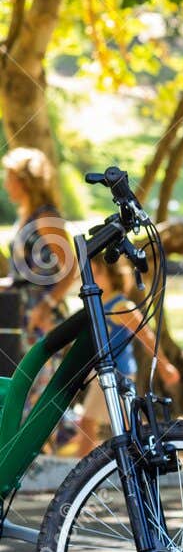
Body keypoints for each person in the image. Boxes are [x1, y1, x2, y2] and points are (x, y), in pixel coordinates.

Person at [3, 147, 81, 453]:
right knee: (28, 386)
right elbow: (23, 273)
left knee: (37, 387)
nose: (6, 184)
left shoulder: (46, 217)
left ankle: (62, 443)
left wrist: (45, 306)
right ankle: (40, 456)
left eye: (9, 178)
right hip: (24, 310)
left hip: (43, 315)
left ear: (24, 181)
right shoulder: (26, 215)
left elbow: (71, 268)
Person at [70, 254, 181, 454]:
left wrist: (164, 366)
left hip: (117, 373)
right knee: (125, 424)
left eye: (90, 271)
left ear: (101, 271)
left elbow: (146, 336)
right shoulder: (100, 305)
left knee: (92, 422)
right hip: (103, 374)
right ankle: (146, 453)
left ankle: (83, 465)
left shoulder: (121, 306)